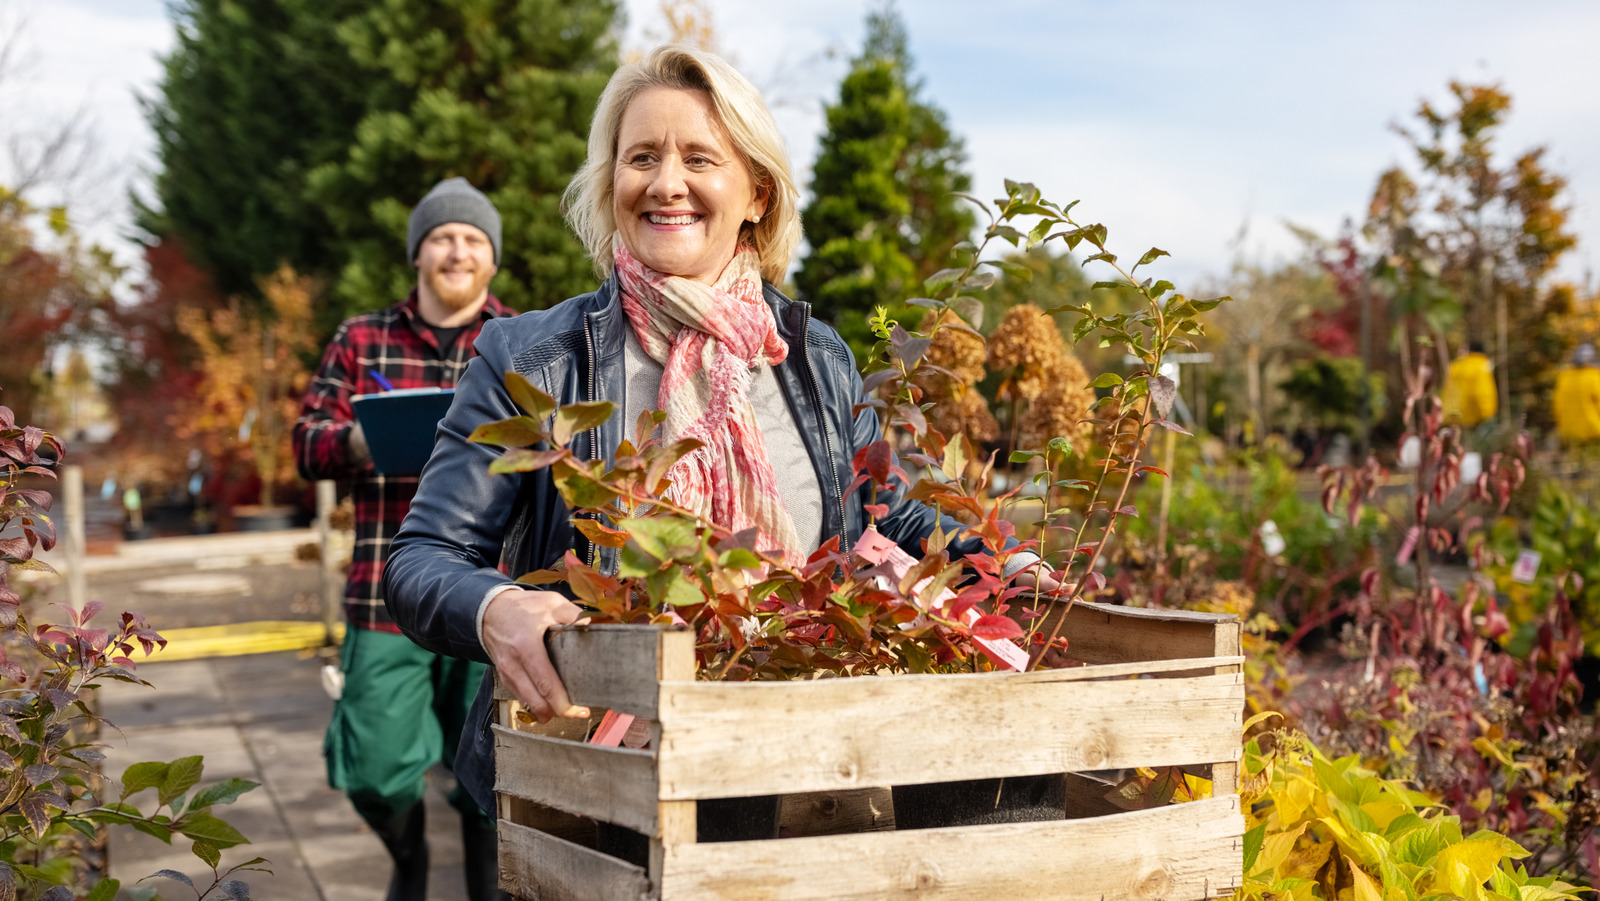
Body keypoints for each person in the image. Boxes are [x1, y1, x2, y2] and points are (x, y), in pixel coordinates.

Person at [382, 45, 1055, 844]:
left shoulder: (815, 357)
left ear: (757, 193)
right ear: (611, 183)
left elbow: (884, 517)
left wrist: (999, 558)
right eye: (641, 157)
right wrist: (494, 605)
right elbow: (421, 557)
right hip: (601, 783)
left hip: (803, 767)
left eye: (700, 157)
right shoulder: (532, 357)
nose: (666, 183)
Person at [292, 177, 513, 901]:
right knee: (376, 767)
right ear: (419, 253)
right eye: (443, 237)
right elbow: (306, 443)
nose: (458, 251)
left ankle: (487, 875)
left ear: (492, 259)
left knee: (496, 765)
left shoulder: (522, 338)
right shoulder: (360, 339)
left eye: (473, 239)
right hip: (385, 590)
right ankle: (408, 855)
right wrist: (363, 438)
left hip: (494, 591)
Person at [1443, 340, 1498, 428]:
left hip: (1454, 416)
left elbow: (1447, 392)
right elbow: (1483, 391)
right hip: (1476, 417)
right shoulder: (1481, 365)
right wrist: (1487, 413)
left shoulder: (1454, 367)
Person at [1554, 343, 1600, 444]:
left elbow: (1558, 406)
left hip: (1568, 431)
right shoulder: (1593, 377)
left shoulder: (1564, 377)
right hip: (1593, 430)